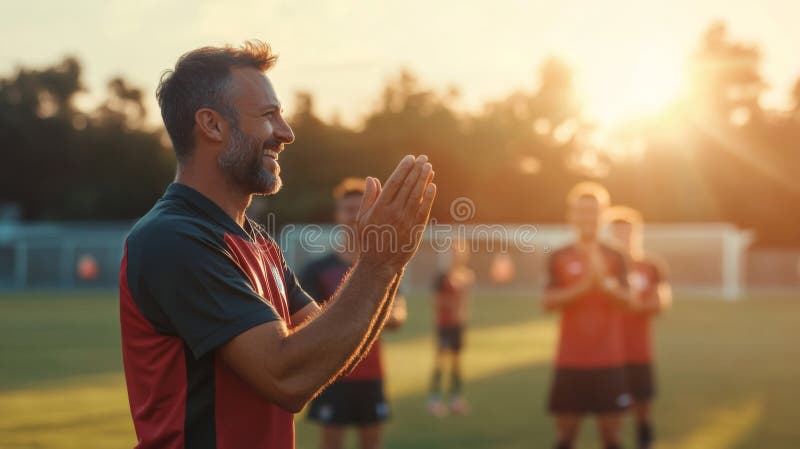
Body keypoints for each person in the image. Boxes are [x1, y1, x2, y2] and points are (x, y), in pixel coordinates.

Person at [119, 41, 436, 449]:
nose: (286, 133)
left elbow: (329, 353)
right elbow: (287, 376)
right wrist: (378, 264)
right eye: (269, 116)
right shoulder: (171, 239)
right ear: (212, 125)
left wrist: (392, 262)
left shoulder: (256, 239)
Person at [303, 178, 408, 449]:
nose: (353, 216)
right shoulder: (318, 269)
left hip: (372, 374)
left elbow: (398, 312)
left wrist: (389, 315)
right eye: (348, 210)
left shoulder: (384, 267)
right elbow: (306, 321)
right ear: (338, 215)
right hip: (332, 374)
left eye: (360, 209)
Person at [542, 182, 632, 449]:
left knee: (611, 438)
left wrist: (604, 283)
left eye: (593, 211)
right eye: (581, 211)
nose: (587, 218)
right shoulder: (559, 255)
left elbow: (628, 301)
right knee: (565, 438)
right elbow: (548, 301)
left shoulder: (616, 255)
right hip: (570, 361)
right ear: (572, 215)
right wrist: (584, 287)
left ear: (602, 215)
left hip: (609, 360)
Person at [606, 206, 672, 449]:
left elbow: (660, 302)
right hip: (610, 352)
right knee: (614, 411)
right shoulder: (605, 265)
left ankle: (645, 441)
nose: (624, 238)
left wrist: (628, 304)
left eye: (629, 233)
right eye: (618, 233)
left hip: (639, 349)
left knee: (642, 406)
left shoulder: (651, 265)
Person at [427, 242, 475, 416]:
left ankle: (456, 400)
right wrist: (451, 305)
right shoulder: (442, 277)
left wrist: (462, 316)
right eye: (454, 252)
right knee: (440, 362)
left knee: (456, 363)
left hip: (457, 326)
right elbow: (435, 301)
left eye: (461, 252)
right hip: (443, 325)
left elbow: (466, 302)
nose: (458, 256)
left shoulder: (467, 276)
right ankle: (434, 400)